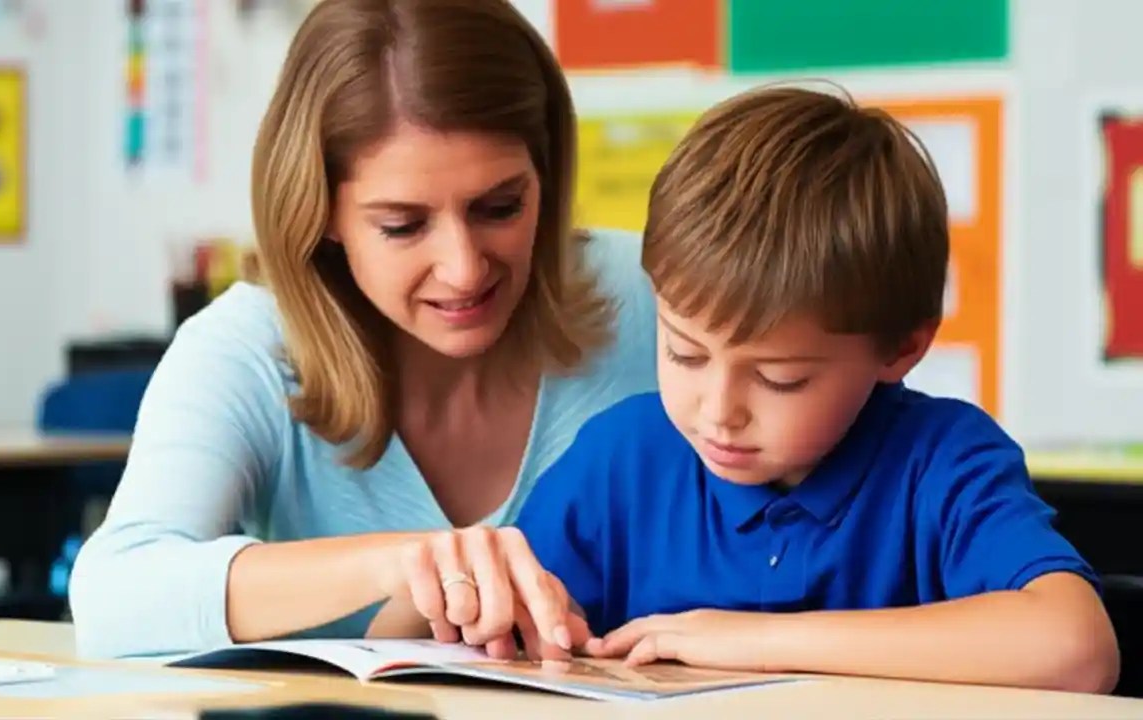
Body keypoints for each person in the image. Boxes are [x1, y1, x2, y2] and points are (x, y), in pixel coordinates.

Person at [68, 0, 656, 660]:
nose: (463, 270)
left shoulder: (656, 296)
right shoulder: (249, 348)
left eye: (500, 207)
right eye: (403, 226)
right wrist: (405, 563)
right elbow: (114, 597)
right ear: (319, 210)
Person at [510, 85, 1121, 693]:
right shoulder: (619, 461)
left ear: (902, 348)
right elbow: (504, 634)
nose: (719, 412)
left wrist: (757, 642)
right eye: (684, 352)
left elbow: (1076, 649)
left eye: (781, 379)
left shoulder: (942, 462)